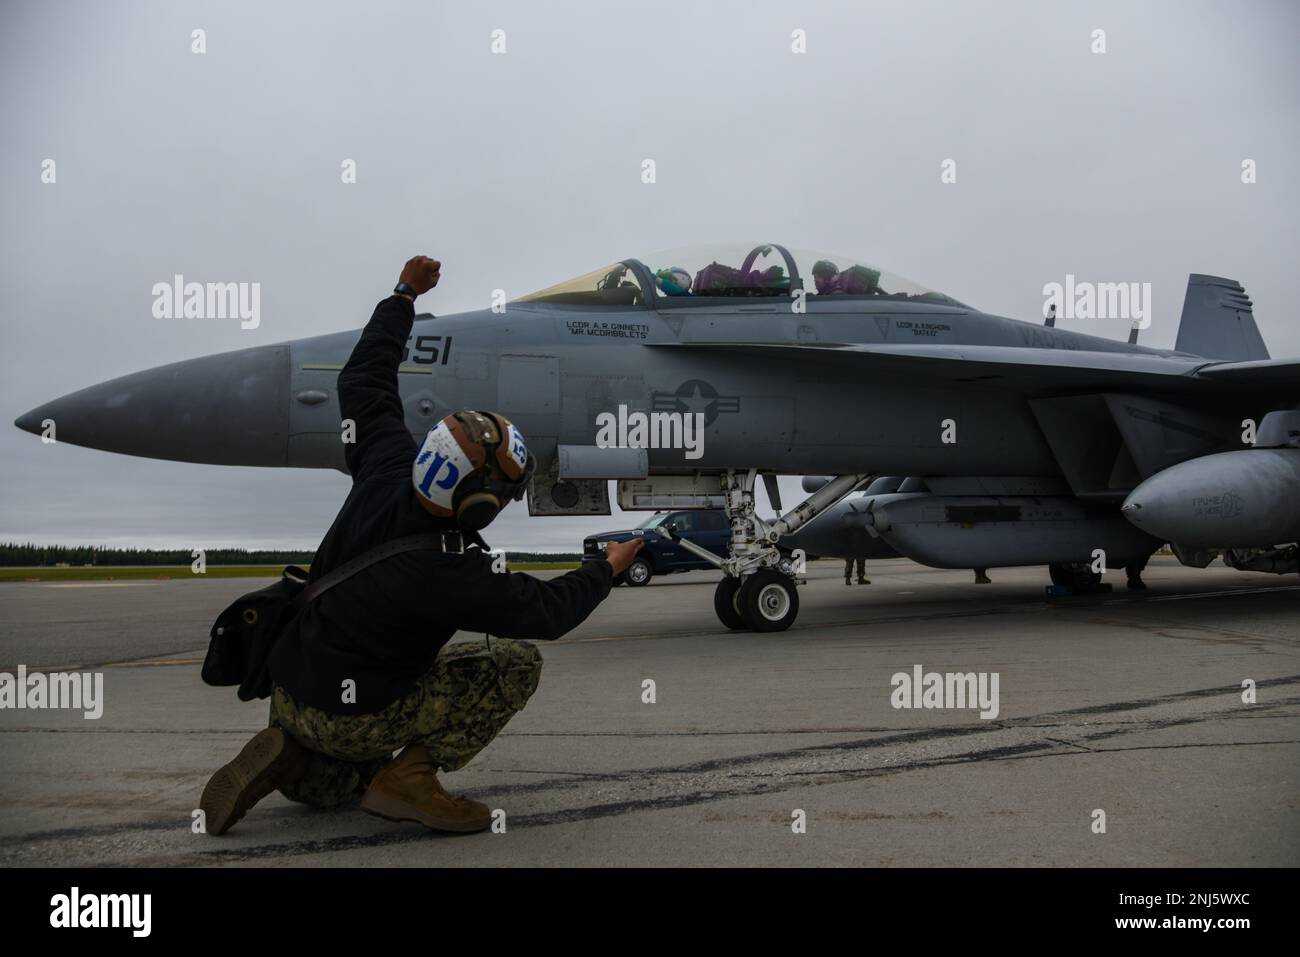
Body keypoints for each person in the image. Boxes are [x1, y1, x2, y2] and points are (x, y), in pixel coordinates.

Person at [199, 256, 643, 836]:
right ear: (481, 503)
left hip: (290, 690)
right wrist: (605, 570)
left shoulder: (384, 461)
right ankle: (410, 779)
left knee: (340, 788)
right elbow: (549, 614)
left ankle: (296, 753)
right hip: (353, 711)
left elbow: (361, 379)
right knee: (513, 665)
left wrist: (404, 295)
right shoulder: (453, 568)